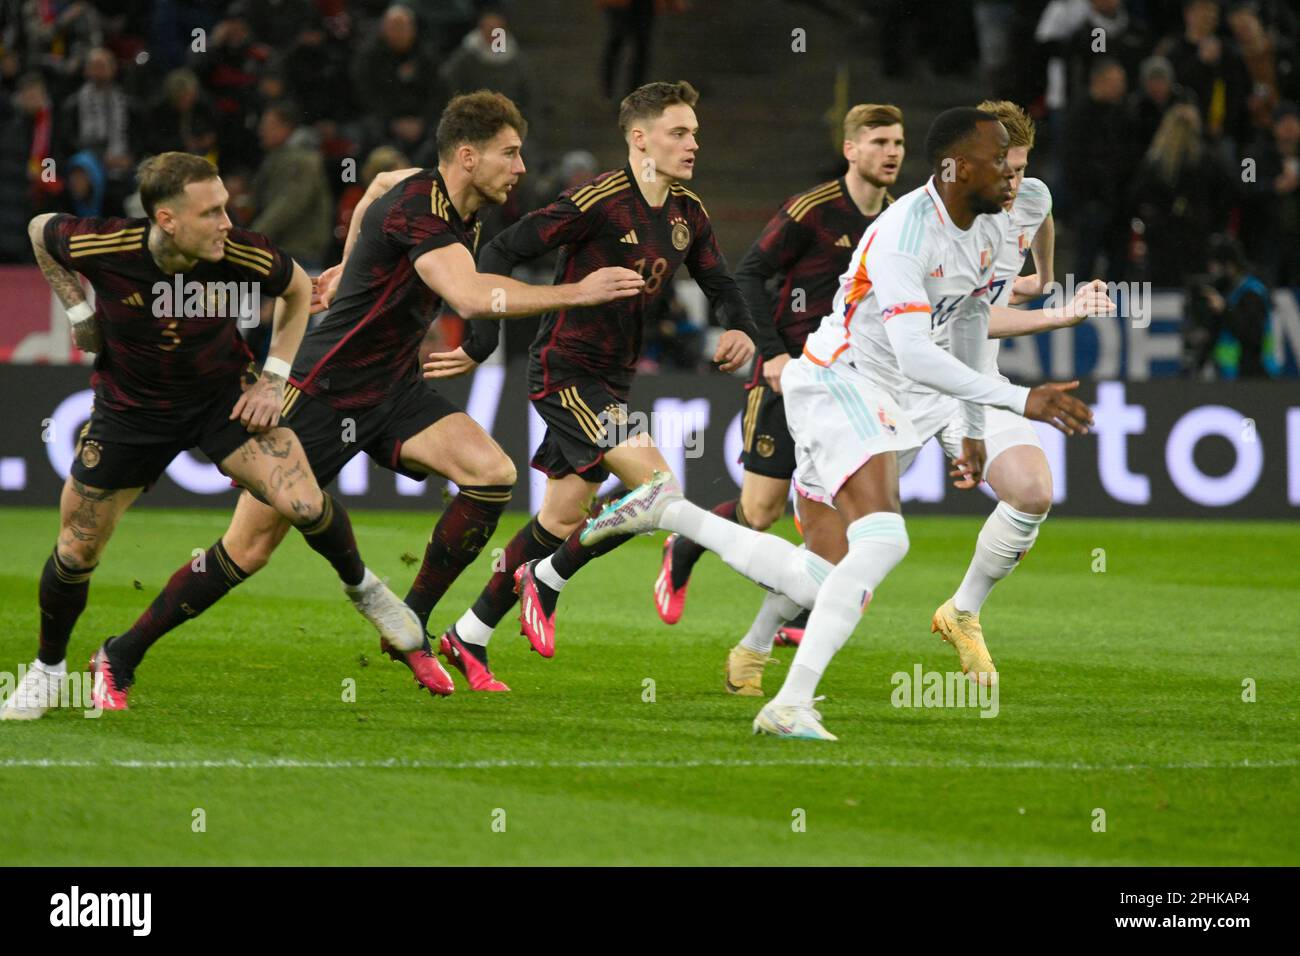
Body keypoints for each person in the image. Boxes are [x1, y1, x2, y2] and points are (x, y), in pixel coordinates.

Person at [90, 92, 643, 701]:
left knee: (492, 474)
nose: (519, 167)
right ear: (466, 156)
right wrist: (579, 293)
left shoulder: (445, 197)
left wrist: (347, 261)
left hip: (394, 388)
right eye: (509, 154)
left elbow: (375, 181)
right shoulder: (421, 211)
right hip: (322, 390)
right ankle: (118, 655)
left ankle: (410, 623)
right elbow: (470, 298)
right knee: (247, 549)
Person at [586, 108, 1097, 740]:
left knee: (821, 574)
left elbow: (967, 324)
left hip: (895, 398)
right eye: (1001, 162)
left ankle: (668, 512)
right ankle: (789, 705)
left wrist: (970, 427)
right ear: (959, 167)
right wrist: (1022, 400)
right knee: (884, 542)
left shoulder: (993, 226)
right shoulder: (905, 232)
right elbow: (914, 353)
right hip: (841, 383)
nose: (1015, 178)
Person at [1, 152, 421, 718]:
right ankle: (48, 670)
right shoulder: (106, 244)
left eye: (226, 207)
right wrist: (78, 312)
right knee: (75, 551)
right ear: (167, 219)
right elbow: (37, 231)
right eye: (212, 212)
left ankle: (364, 588)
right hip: (131, 411)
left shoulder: (241, 250)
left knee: (302, 500)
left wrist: (272, 381)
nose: (228, 221)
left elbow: (299, 292)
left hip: (220, 400)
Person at [422, 80, 760, 690]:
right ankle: (546, 581)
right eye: (678, 133)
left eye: (695, 134)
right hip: (565, 371)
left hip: (613, 379)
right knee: (660, 489)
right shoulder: (597, 200)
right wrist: (480, 340)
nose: (692, 145)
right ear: (640, 138)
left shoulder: (688, 211)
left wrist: (740, 328)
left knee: (559, 517)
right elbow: (498, 251)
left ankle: (468, 634)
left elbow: (722, 282)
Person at [653, 103, 905, 677]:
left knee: (848, 527)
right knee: (760, 511)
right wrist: (771, 352)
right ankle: (685, 543)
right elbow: (746, 273)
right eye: (879, 142)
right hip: (789, 379)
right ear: (851, 150)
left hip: (853, 394)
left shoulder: (898, 221)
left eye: (898, 143)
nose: (891, 153)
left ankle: (791, 621)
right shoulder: (812, 211)